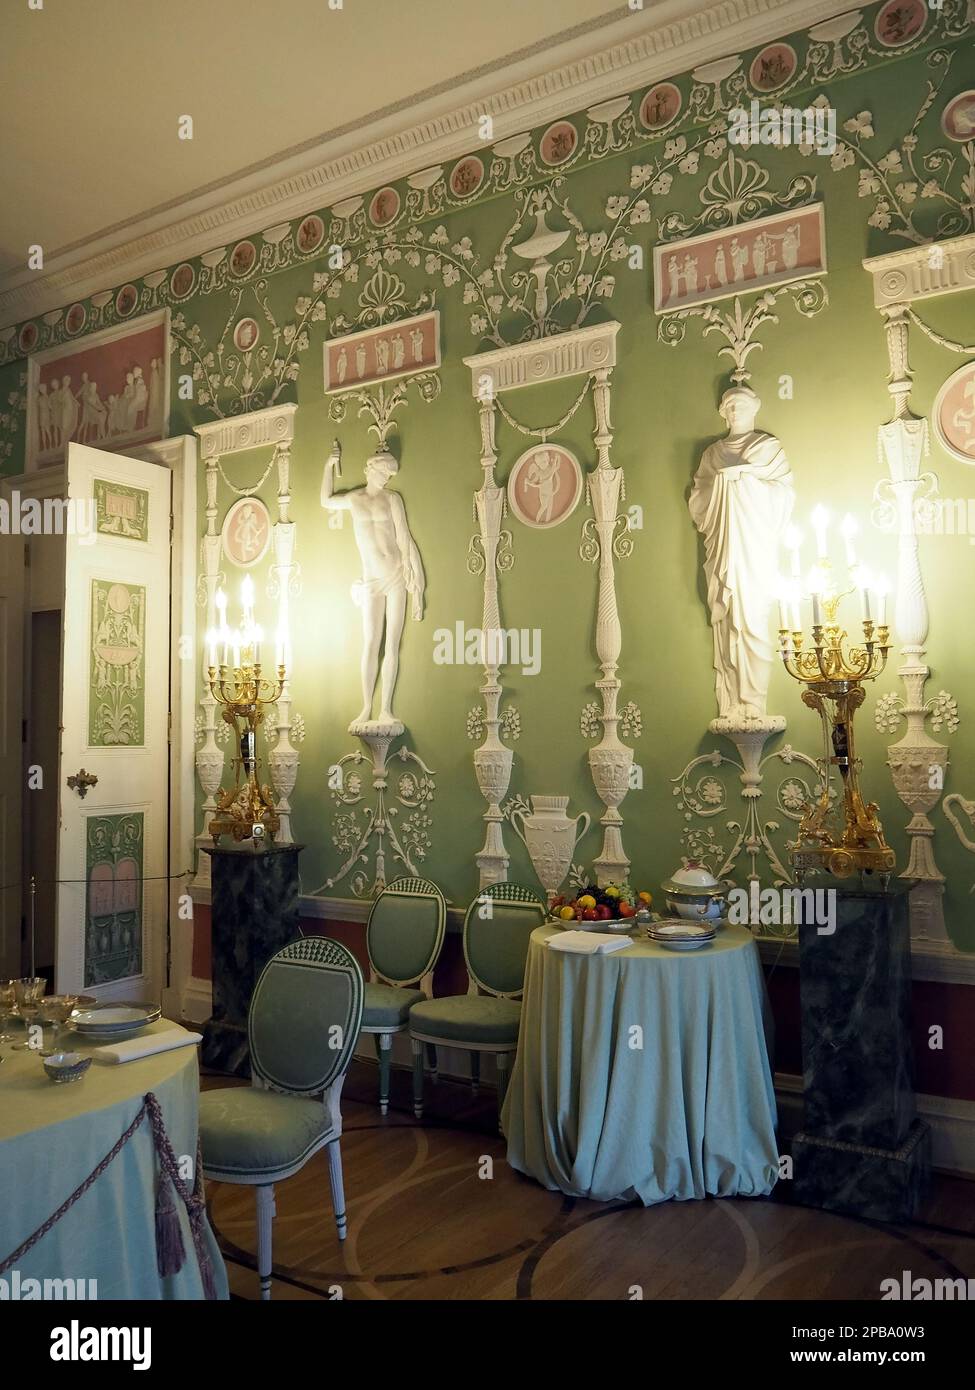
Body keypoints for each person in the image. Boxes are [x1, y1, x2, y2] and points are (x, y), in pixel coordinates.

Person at [688, 386, 795, 721]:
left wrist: (745, 479)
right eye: (730, 405)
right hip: (723, 549)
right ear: (723, 411)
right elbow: (699, 503)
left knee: (752, 619)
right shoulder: (712, 455)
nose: (735, 409)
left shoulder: (767, 448)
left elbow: (784, 495)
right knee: (728, 620)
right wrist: (724, 483)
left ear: (756, 407)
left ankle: (754, 701)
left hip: (754, 550)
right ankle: (732, 700)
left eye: (742, 404)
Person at [320, 441, 425, 729]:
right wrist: (329, 465)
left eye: (389, 474)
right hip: (370, 580)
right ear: (371, 470)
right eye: (383, 472)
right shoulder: (354, 499)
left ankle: (386, 709)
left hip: (395, 576)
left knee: (392, 643)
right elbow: (326, 500)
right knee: (370, 642)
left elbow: (404, 539)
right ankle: (366, 706)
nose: (387, 477)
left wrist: (418, 586)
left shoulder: (393, 499)